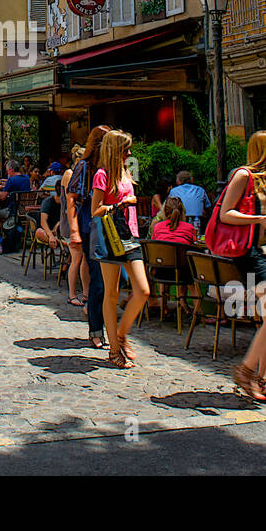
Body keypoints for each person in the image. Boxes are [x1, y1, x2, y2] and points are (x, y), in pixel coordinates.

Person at [222, 130, 266, 406]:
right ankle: (246, 371)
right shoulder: (243, 176)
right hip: (252, 254)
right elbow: (225, 213)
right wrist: (258, 218)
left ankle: (265, 381)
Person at [89, 129, 150, 369]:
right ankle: (114, 348)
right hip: (109, 237)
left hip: (130, 235)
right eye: (126, 149)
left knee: (143, 290)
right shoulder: (102, 175)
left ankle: (122, 334)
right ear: (116, 150)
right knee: (111, 293)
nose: (130, 153)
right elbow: (95, 209)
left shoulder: (126, 171)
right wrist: (120, 204)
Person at [67, 128, 110, 349]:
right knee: (99, 281)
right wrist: (74, 230)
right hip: (90, 227)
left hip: (111, 229)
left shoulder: (114, 166)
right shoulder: (85, 166)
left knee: (115, 280)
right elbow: (72, 198)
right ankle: (96, 329)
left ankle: (105, 326)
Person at [57, 150, 88, 307]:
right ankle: (72, 294)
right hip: (70, 223)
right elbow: (72, 201)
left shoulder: (78, 174)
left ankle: (86, 294)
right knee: (76, 258)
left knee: (82, 259)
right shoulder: (70, 174)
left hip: (78, 221)